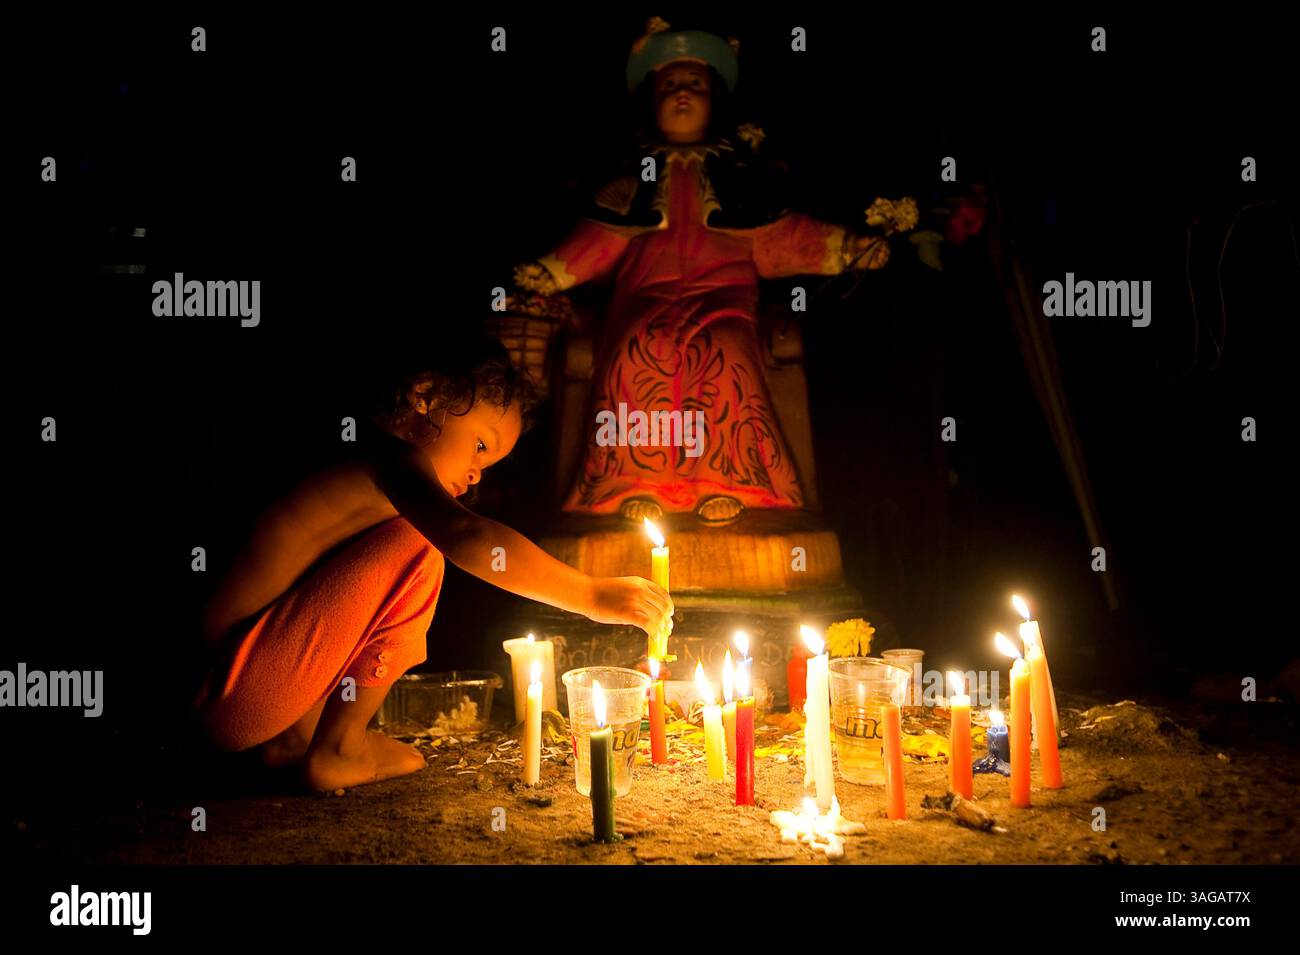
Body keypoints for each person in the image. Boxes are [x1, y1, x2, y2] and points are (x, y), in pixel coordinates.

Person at [191, 330, 674, 791]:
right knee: (420, 546)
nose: (474, 474)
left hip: (231, 690)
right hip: (234, 687)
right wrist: (589, 594)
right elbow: (467, 535)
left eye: (487, 466)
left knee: (398, 541)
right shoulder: (393, 459)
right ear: (424, 397)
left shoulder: (356, 469)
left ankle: (293, 739)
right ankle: (339, 748)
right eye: (479, 447)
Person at [513, 21, 889, 528]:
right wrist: (547, 274)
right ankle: (633, 483)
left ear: (714, 98)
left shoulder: (737, 176)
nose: (683, 94)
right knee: (636, 346)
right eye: (670, 85)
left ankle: (728, 481)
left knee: (725, 350)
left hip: (724, 299)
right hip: (645, 298)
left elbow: (780, 235)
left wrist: (847, 248)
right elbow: (601, 239)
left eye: (696, 85)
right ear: (652, 99)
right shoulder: (635, 178)